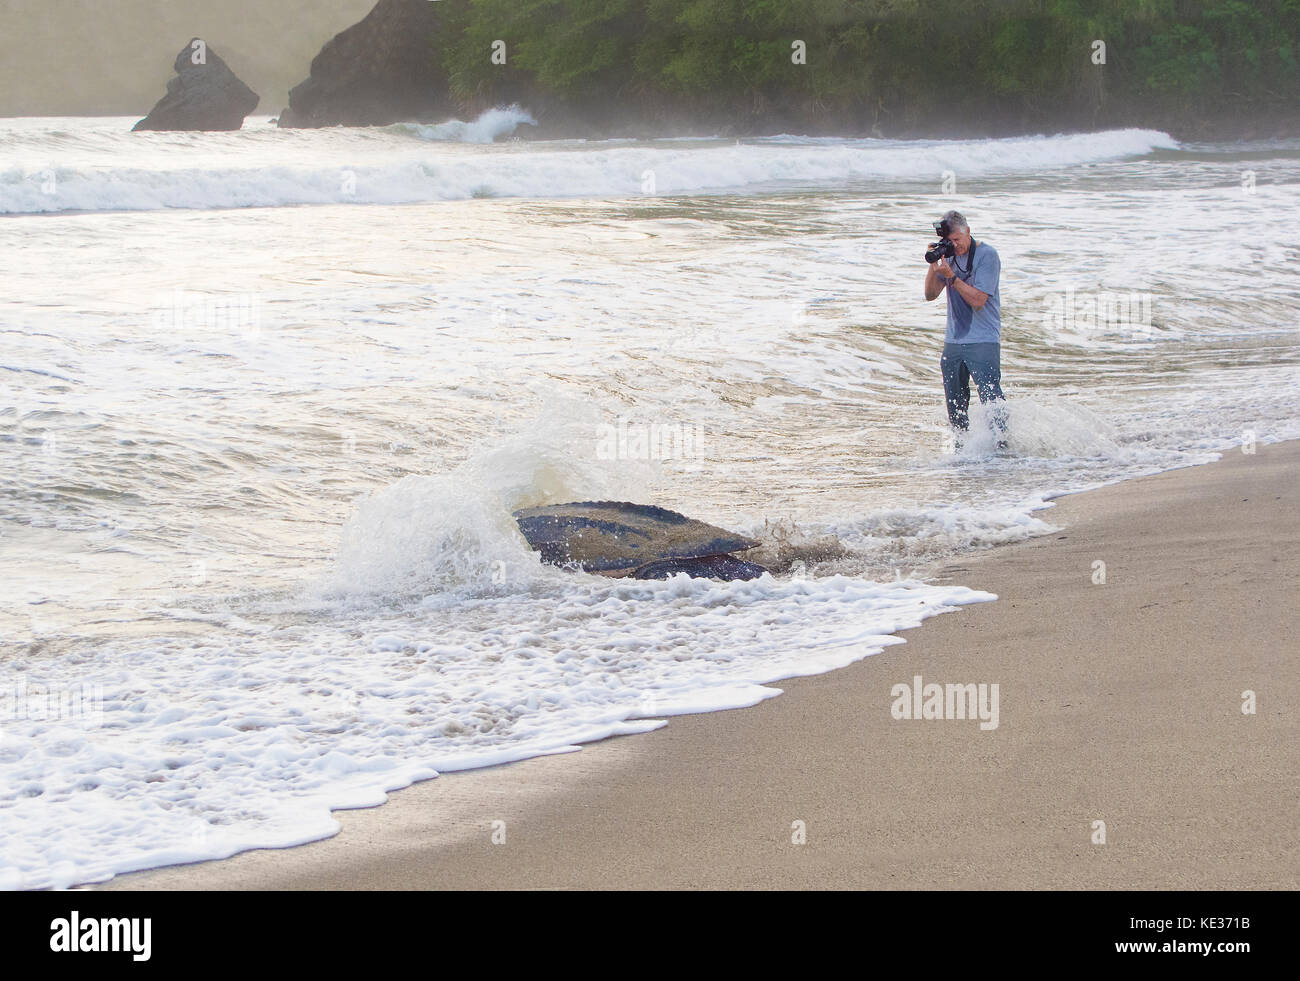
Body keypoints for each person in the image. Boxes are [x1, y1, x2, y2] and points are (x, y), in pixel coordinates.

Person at [922, 210, 1007, 447]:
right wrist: (935, 264)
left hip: (983, 339)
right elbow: (930, 295)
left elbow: (979, 300)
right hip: (954, 341)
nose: (955, 246)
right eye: (950, 242)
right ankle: (963, 452)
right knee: (955, 404)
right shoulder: (948, 257)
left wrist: (954, 278)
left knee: (991, 399)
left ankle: (1001, 450)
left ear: (968, 231)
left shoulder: (986, 255)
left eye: (958, 240)